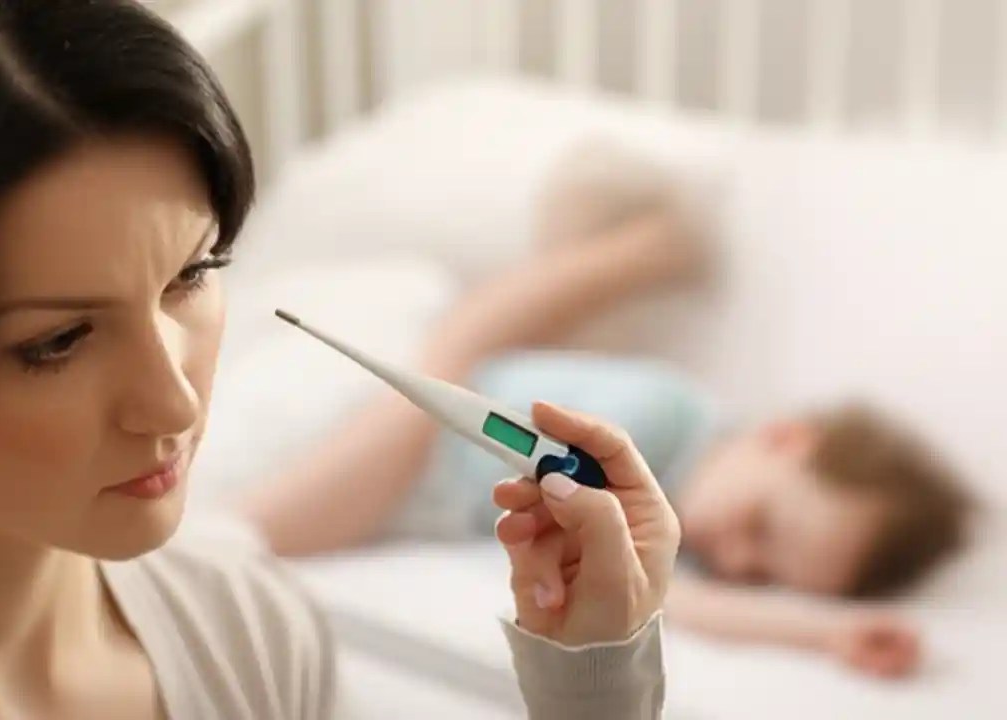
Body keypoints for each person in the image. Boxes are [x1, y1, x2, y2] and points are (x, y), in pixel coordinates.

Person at [0, 1, 680, 717]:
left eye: (192, 274)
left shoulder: (244, 625)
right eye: (56, 341)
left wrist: (594, 680)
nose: (172, 399)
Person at [241, 143, 973, 680]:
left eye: (763, 573)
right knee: (249, 533)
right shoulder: (665, 418)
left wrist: (825, 635)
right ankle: (642, 251)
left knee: (238, 541)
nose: (738, 557)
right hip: (388, 420)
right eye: (762, 526)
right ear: (783, 439)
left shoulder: (669, 526)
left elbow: (667, 602)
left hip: (399, 485)